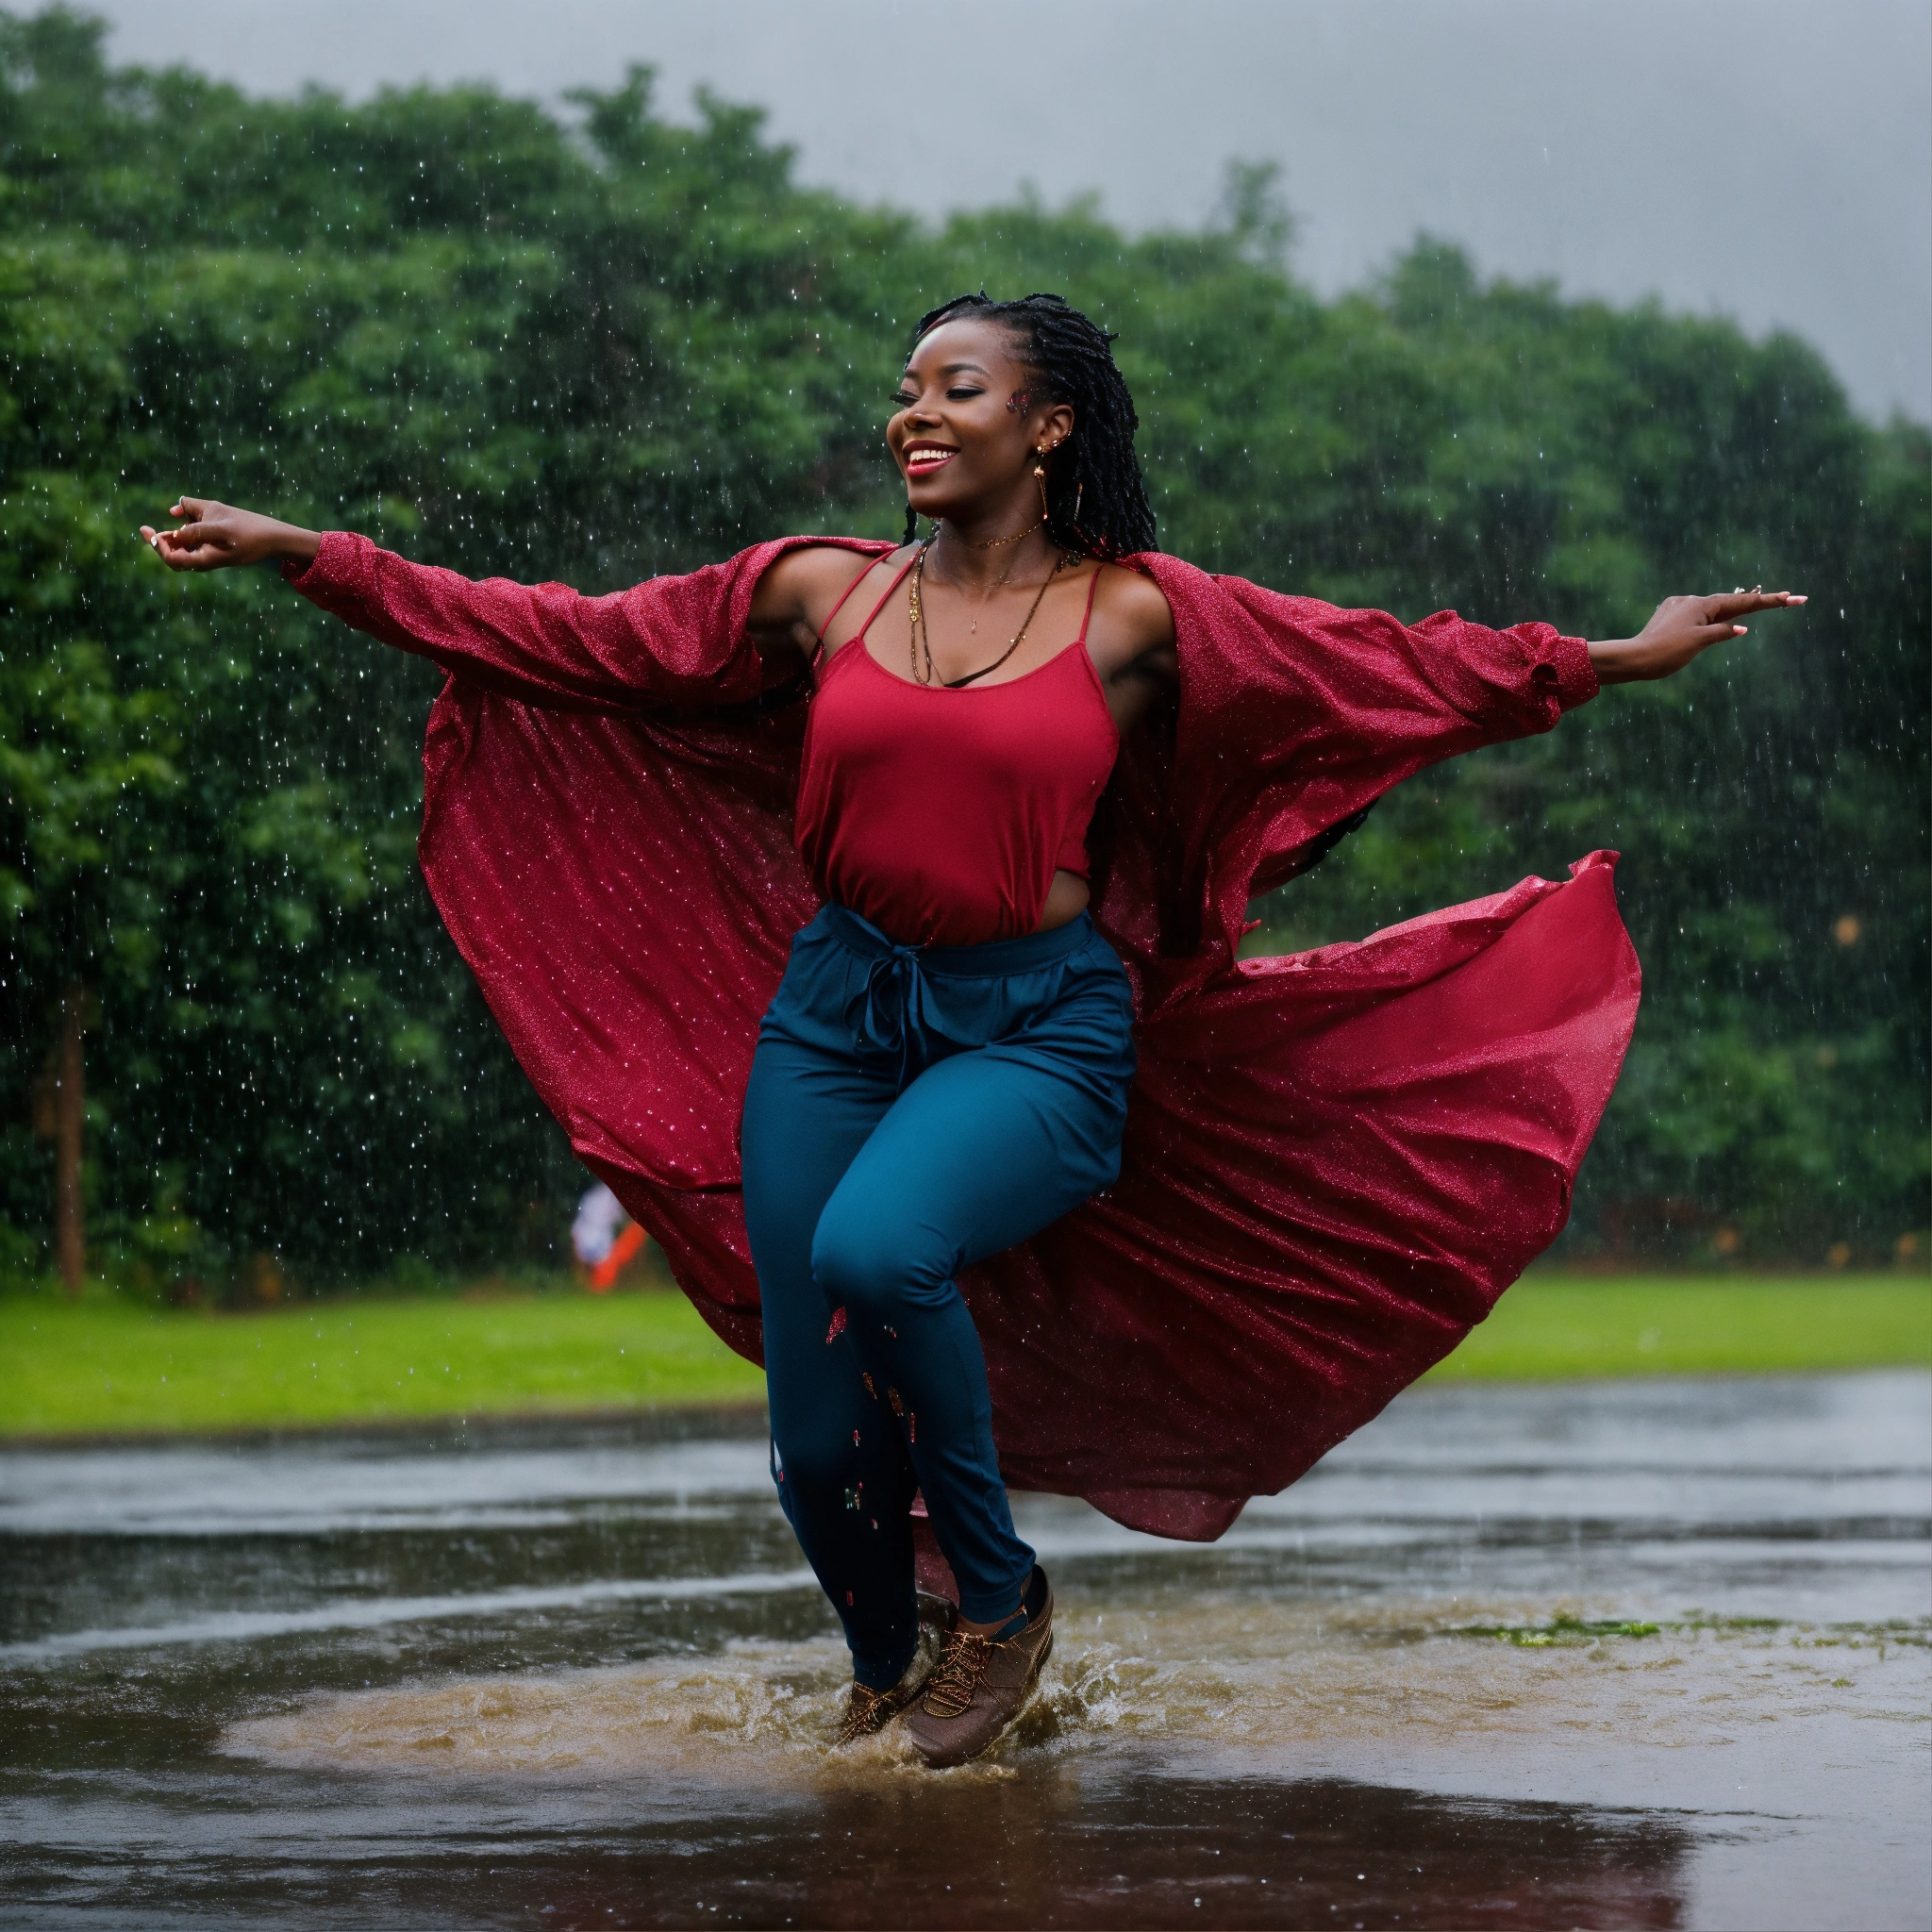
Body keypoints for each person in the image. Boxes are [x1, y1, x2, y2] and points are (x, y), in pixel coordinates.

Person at [142, 291, 1801, 1766]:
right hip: (834, 1020)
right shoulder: (812, 593)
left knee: (881, 1247)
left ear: (1049, 424)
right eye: (907, 391)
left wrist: (1608, 662)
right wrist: (318, 558)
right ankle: (889, 1676)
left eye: (959, 388)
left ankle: (1000, 1610)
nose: (914, 415)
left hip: (1037, 1033)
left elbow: (1382, 668)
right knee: (812, 1441)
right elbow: (565, 638)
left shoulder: (1139, 617)